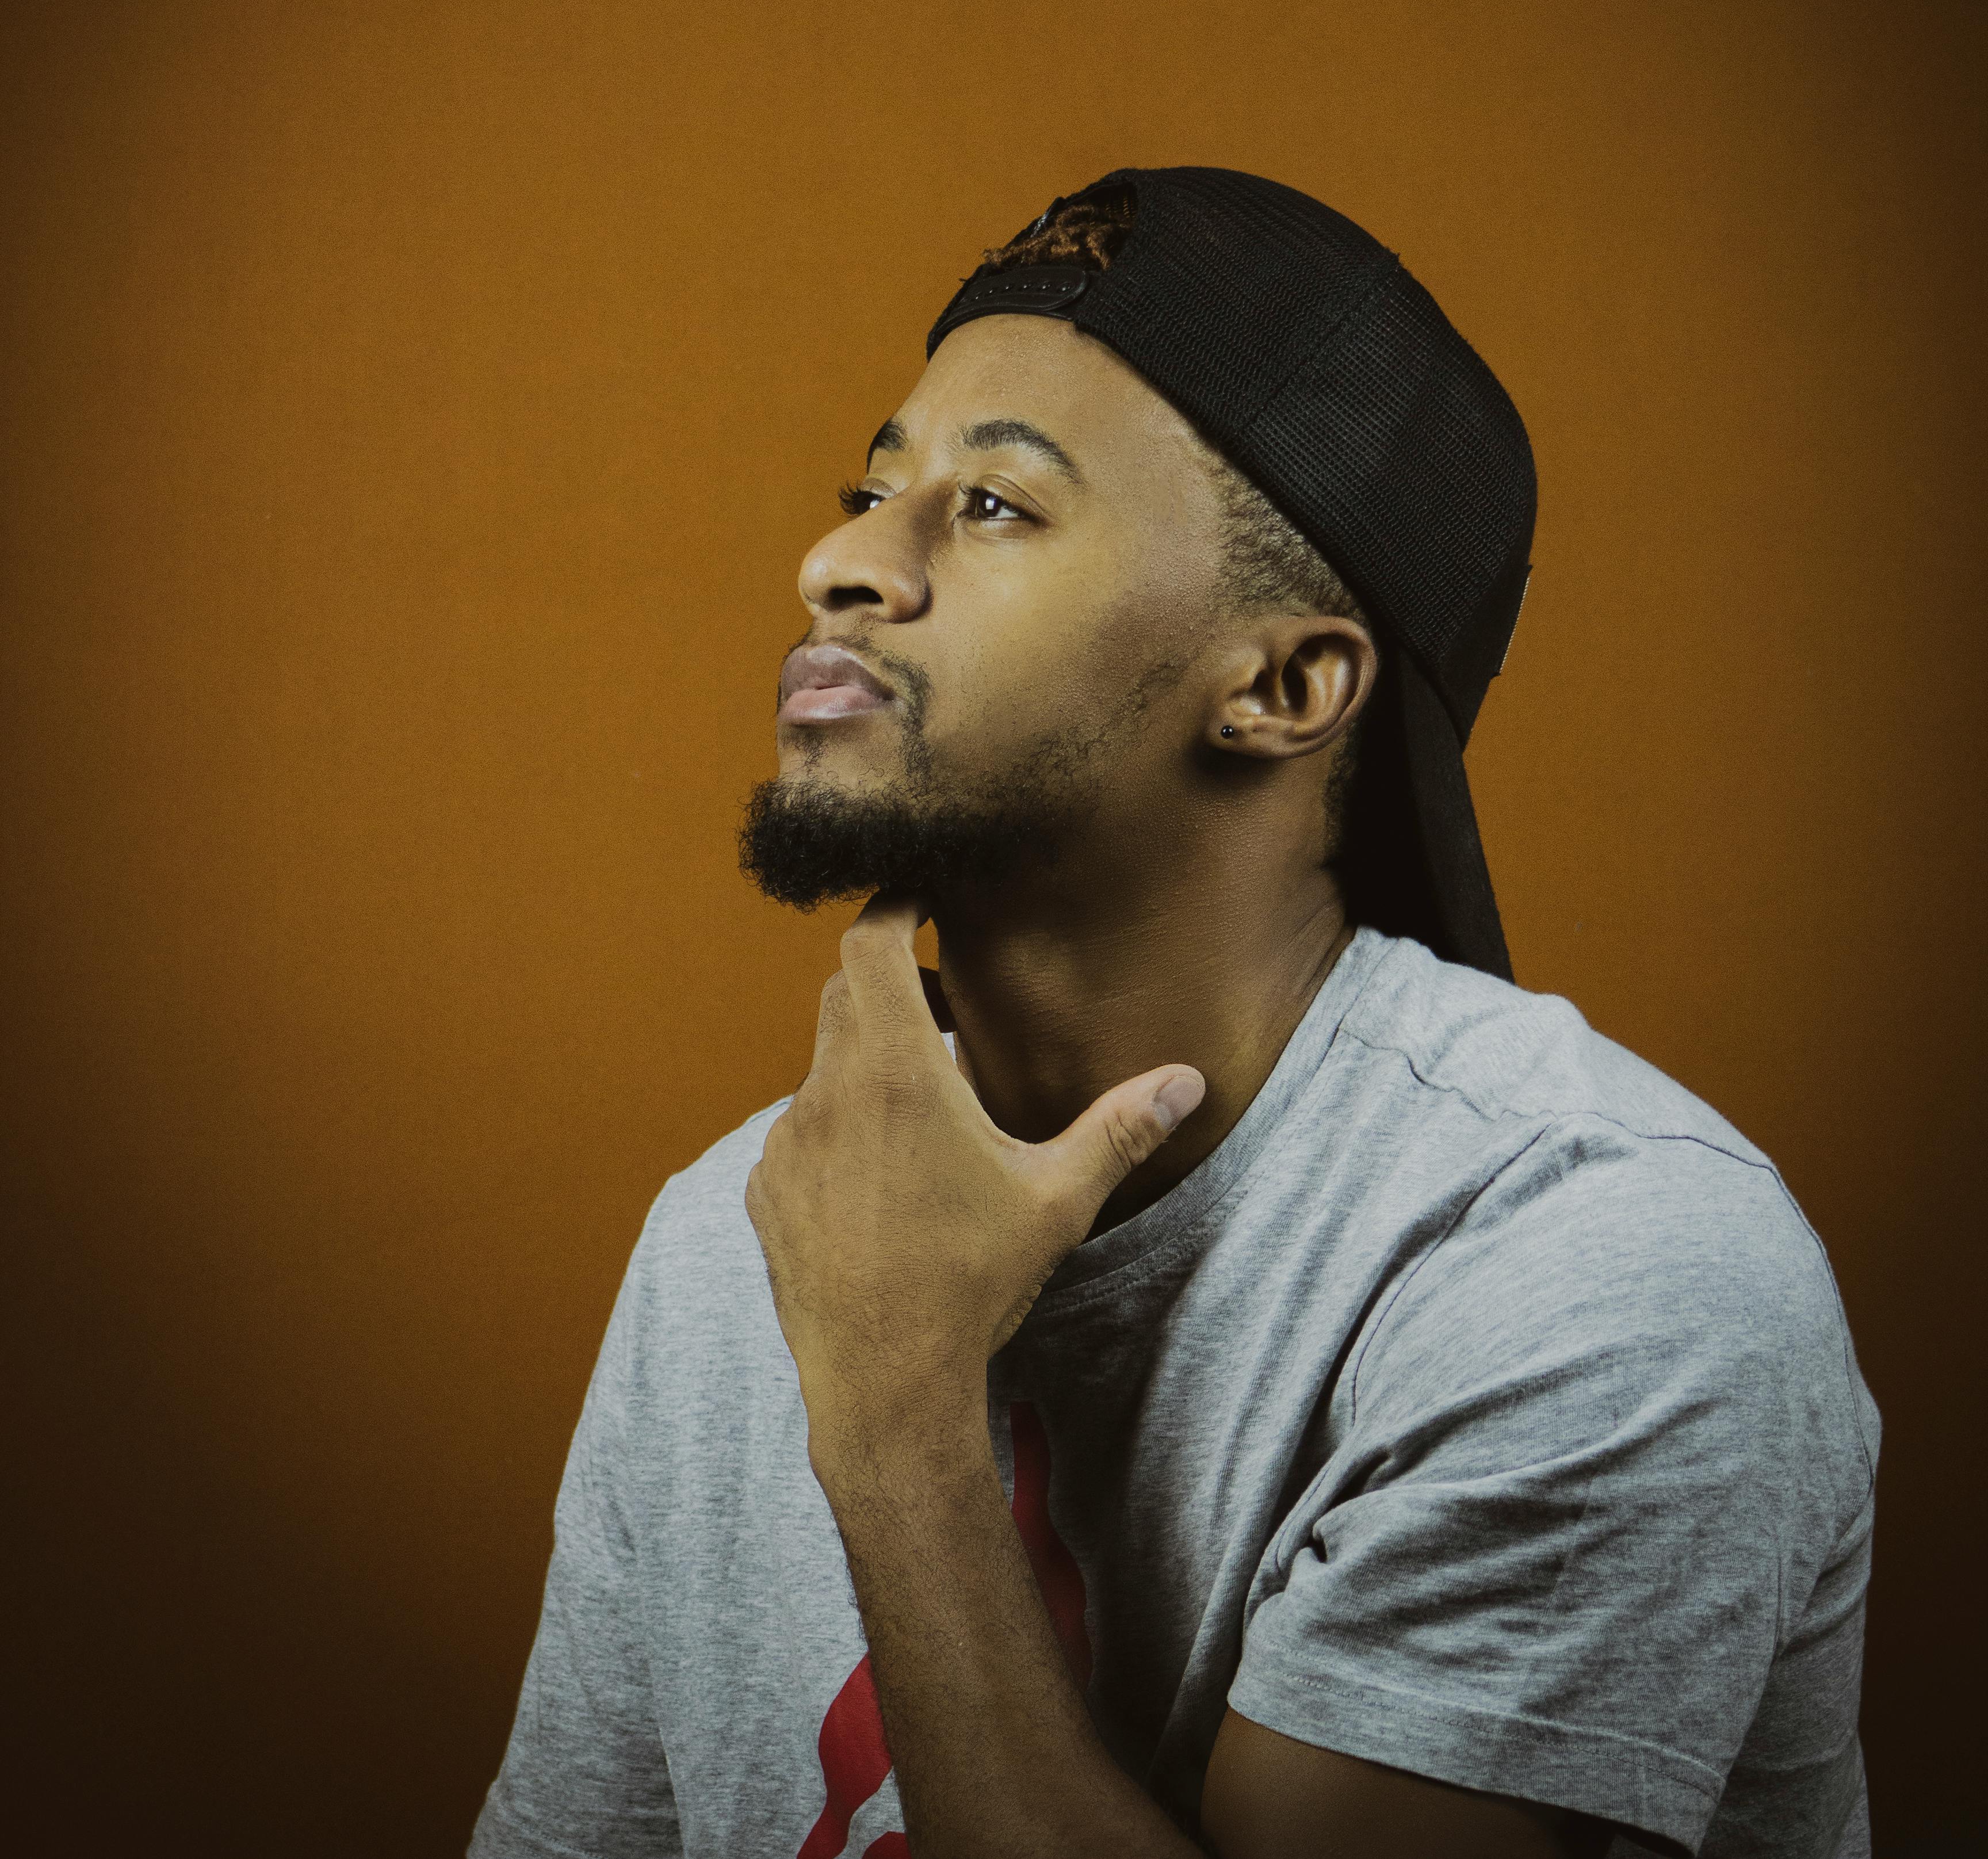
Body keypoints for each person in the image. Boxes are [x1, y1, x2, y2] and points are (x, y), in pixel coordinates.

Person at [469, 169, 1877, 1859]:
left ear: (1283, 684)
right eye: (874, 481)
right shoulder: (734, 1236)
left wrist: (895, 1407)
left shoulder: (1598, 1259)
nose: (839, 556)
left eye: (992, 504)